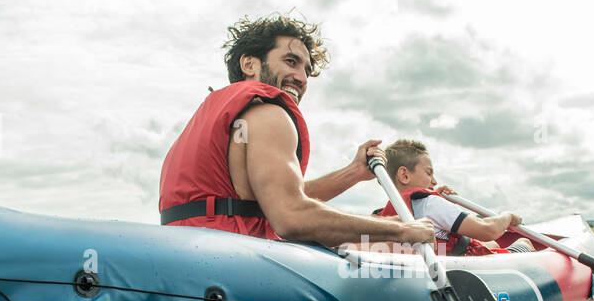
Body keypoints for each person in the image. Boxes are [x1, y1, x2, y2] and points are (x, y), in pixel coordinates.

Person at [158, 14, 435, 249]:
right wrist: (400, 231)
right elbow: (290, 216)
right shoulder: (268, 112)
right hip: (228, 262)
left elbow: (280, 195)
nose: (302, 78)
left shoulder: (214, 117)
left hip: (186, 252)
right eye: (291, 62)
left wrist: (353, 172)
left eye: (306, 69)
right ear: (249, 64)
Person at [374, 139, 529, 255]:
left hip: (434, 267)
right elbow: (488, 230)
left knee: (492, 243)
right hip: (465, 271)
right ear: (404, 175)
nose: (434, 181)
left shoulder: (380, 218)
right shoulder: (430, 203)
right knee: (524, 242)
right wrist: (508, 216)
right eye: (428, 173)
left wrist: (442, 202)